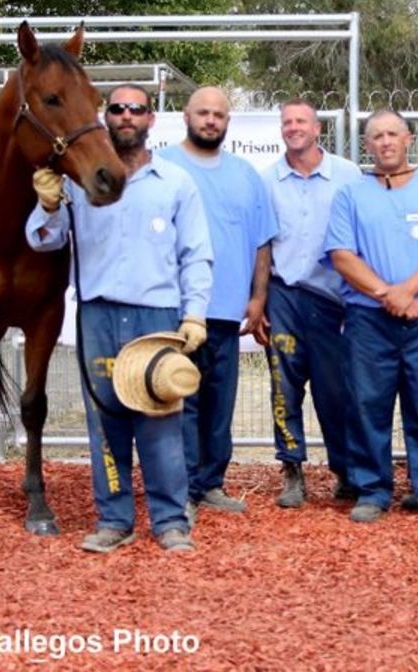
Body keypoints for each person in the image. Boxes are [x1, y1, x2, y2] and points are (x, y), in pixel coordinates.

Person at [27, 84, 212, 552]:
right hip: (98, 314)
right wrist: (48, 206)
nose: (127, 116)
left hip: (157, 316)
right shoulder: (79, 180)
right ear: (104, 117)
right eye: (117, 108)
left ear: (152, 119)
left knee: (162, 418)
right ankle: (114, 519)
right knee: (105, 420)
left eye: (137, 109)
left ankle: (171, 522)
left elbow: (196, 254)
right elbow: (43, 241)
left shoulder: (176, 182)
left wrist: (194, 315)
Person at [324, 109, 418, 525]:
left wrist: (408, 291)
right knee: (368, 404)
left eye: (392, 134)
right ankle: (372, 489)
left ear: (409, 139)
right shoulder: (350, 195)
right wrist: (387, 294)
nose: (385, 142)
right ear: (366, 145)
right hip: (369, 319)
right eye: (376, 136)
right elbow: (341, 255)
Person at [159, 86, 276, 516]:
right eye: (203, 113)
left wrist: (258, 297)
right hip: (178, 311)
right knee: (180, 402)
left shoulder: (246, 175)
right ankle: (182, 490)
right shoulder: (164, 167)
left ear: (228, 122)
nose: (211, 120)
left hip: (227, 311)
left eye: (219, 115)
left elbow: (263, 241)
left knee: (218, 405)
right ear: (186, 116)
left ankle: (211, 483)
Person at [261, 98, 362, 508]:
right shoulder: (267, 180)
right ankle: (292, 471)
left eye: (301, 121)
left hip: (333, 300)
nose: (293, 127)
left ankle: (345, 470)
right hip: (283, 293)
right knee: (283, 387)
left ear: (317, 128)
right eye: (287, 122)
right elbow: (262, 245)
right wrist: (258, 300)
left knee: (335, 390)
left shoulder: (348, 176)